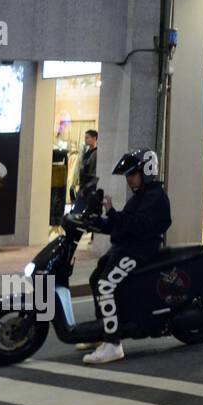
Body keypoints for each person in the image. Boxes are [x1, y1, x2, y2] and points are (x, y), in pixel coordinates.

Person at [80, 148, 172, 365]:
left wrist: (112, 214)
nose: (129, 179)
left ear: (146, 171)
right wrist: (95, 222)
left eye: (132, 174)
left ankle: (113, 344)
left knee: (105, 286)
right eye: (128, 175)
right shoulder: (140, 196)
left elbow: (137, 225)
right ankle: (103, 332)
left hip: (139, 251)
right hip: (126, 248)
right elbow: (122, 223)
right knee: (96, 279)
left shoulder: (155, 197)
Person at [71, 129, 99, 204]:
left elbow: (91, 170)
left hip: (90, 185)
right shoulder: (86, 152)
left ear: (94, 138)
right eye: (85, 137)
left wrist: (86, 187)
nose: (85, 140)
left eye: (87, 137)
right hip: (84, 184)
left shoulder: (96, 153)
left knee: (80, 208)